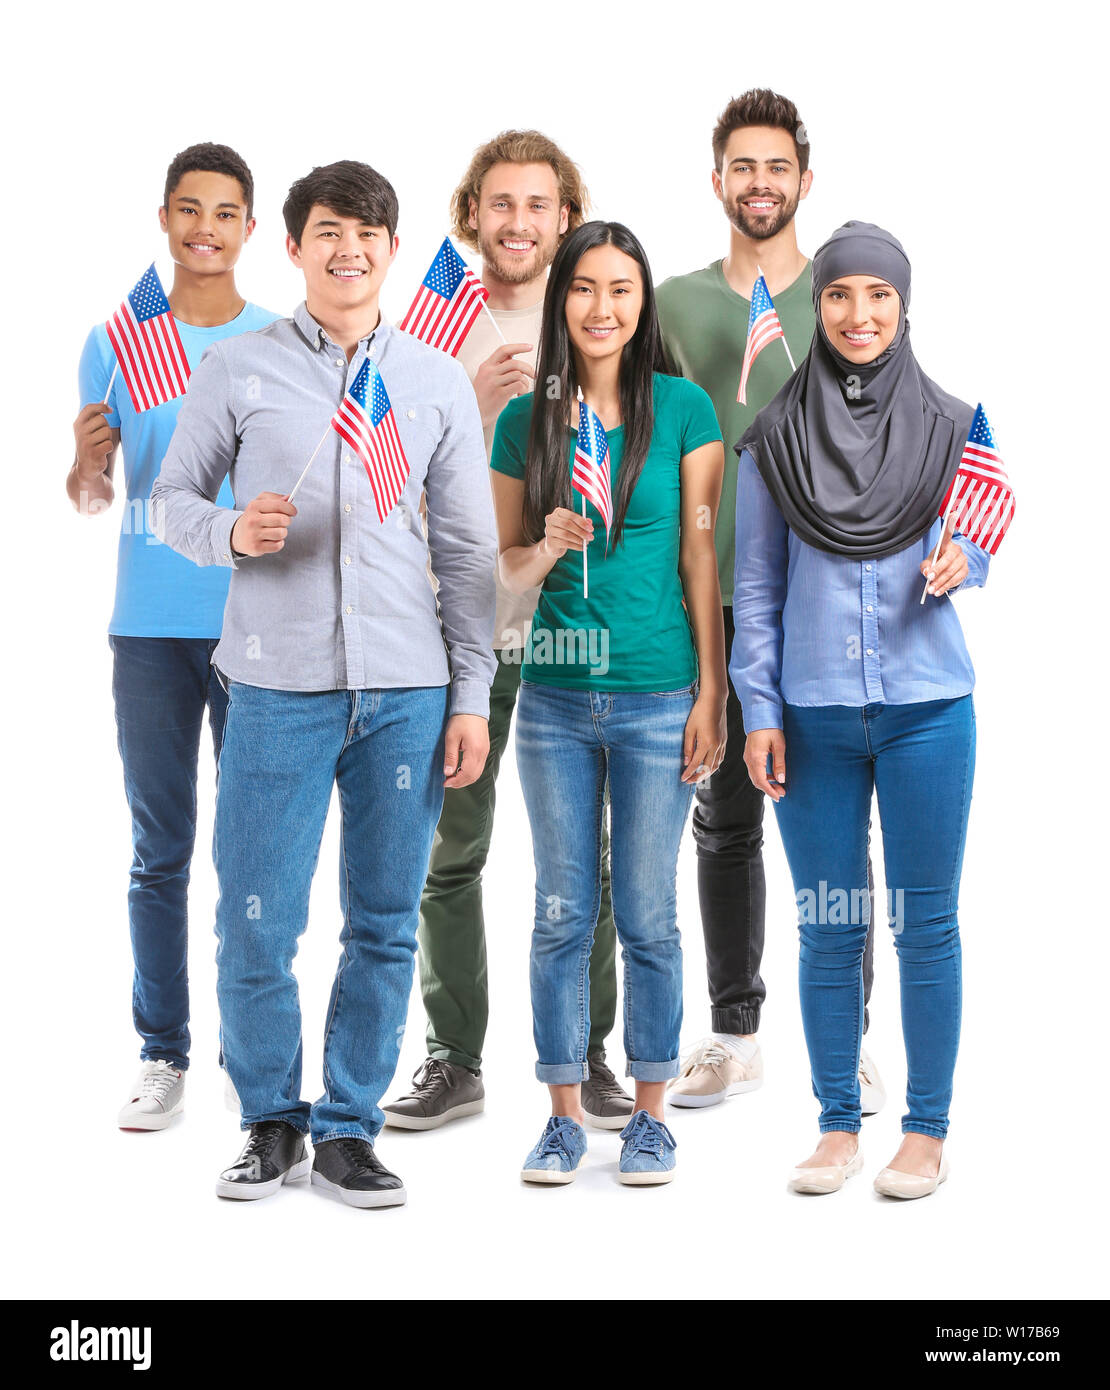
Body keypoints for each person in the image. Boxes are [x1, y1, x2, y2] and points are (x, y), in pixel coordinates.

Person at [150, 160, 498, 1208]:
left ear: (393, 250)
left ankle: (349, 1124)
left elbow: (471, 556)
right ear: (292, 246)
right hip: (275, 688)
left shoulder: (433, 382)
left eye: (372, 231)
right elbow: (169, 500)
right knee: (256, 918)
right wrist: (228, 531)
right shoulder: (239, 371)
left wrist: (471, 693)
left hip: (406, 691)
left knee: (385, 916)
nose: (352, 247)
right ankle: (271, 1120)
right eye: (331, 230)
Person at [732, 221, 996, 1198]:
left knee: (927, 924)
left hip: (931, 710)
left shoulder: (956, 422)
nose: (858, 313)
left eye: (878, 296)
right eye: (840, 295)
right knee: (830, 923)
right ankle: (837, 1123)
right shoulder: (773, 441)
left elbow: (985, 534)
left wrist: (969, 558)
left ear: (903, 307)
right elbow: (755, 587)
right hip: (811, 720)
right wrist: (759, 710)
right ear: (817, 305)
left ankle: (925, 1131)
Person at [384, 131, 632, 1134]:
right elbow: (379, 481)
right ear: (472, 215)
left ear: (565, 217)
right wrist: (466, 405)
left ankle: (593, 1052)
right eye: (501, 204)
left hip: (579, 629)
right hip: (468, 631)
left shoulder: (602, 314)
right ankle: (453, 1055)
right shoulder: (429, 331)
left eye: (539, 205)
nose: (519, 222)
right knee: (449, 854)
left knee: (593, 858)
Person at [655, 89, 882, 1112]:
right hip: (715, 592)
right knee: (724, 810)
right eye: (741, 168)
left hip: (829, 594)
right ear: (718, 182)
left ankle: (853, 1034)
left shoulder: (843, 296)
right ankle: (734, 1030)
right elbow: (646, 444)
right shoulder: (676, 305)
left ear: (801, 179)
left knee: (837, 821)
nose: (759, 185)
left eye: (775, 169)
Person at [491, 221, 727, 1185]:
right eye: (584, 289)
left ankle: (651, 1112)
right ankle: (558, 1112)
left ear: (642, 303)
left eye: (621, 290)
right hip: (551, 699)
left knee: (647, 913)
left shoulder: (684, 410)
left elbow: (700, 555)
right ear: (563, 303)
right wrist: (547, 548)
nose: (602, 309)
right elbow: (499, 578)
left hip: (657, 694)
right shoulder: (524, 420)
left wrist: (712, 691)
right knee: (558, 909)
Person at [69, 143, 277, 1132]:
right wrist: (83, 463)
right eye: (189, 210)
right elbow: (92, 497)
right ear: (164, 218)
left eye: (225, 212)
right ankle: (163, 1052)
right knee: (162, 848)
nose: (206, 228)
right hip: (150, 626)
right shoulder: (118, 343)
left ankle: (251, 1050)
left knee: (253, 852)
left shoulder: (283, 339)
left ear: (248, 225)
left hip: (259, 629)